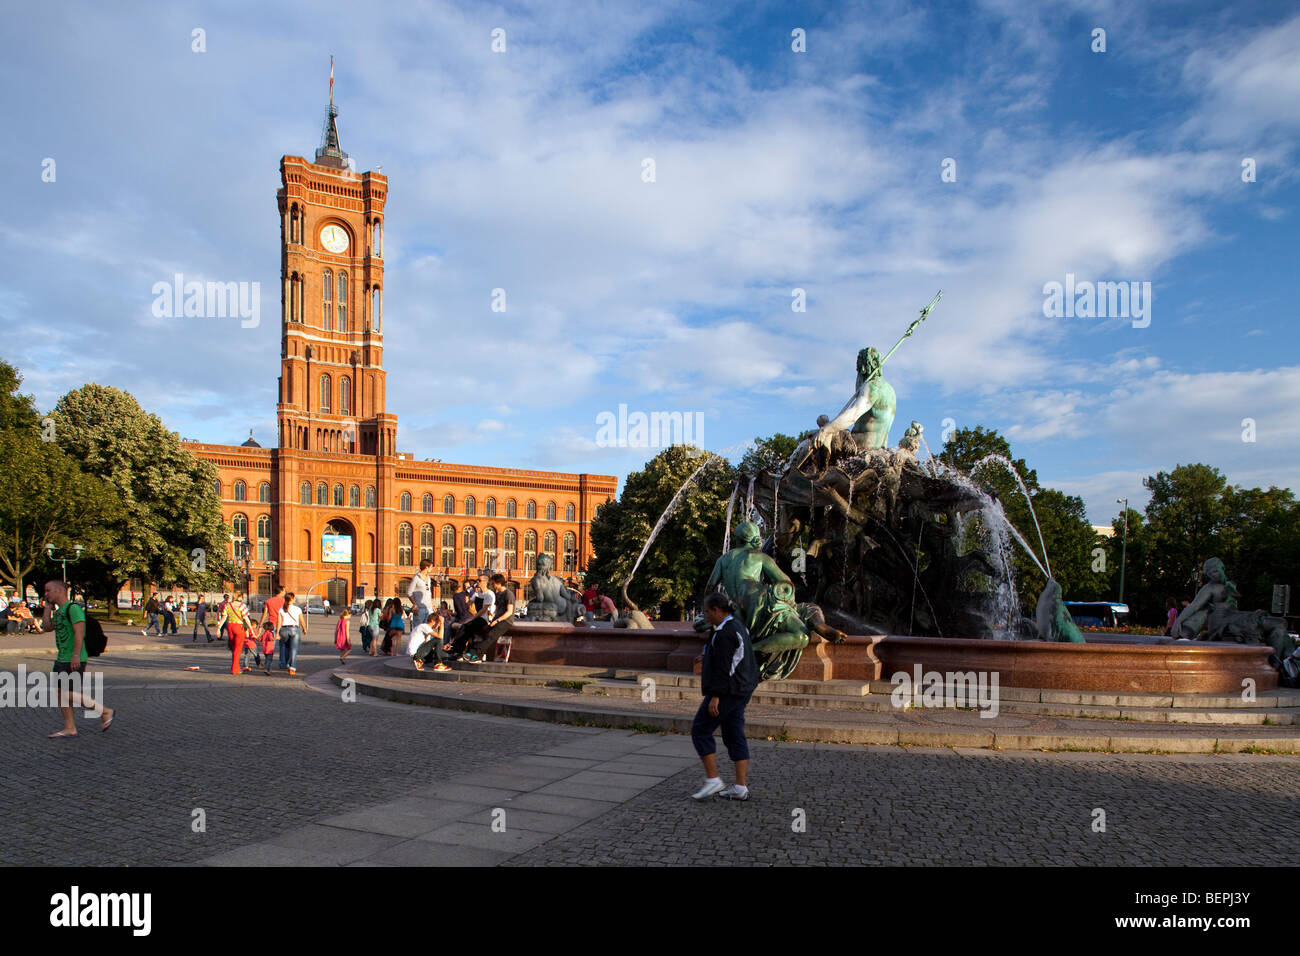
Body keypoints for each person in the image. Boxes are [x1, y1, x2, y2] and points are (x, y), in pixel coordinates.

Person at [690, 592, 759, 801]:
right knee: (733, 734)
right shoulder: (737, 626)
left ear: (717, 610)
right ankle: (740, 788)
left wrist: (715, 696)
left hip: (728, 691)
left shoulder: (724, 633)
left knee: (700, 730)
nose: (705, 616)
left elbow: (724, 667)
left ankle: (713, 780)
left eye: (707, 611)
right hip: (741, 689)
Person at [40, 580, 114, 737]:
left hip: (74, 658)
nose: (45, 594)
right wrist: (47, 609)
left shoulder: (73, 609)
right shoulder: (60, 611)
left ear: (59, 590)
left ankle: (105, 711)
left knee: (67, 693)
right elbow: (46, 627)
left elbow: (80, 633)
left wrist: (76, 656)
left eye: (48, 590)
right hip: (62, 658)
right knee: (61, 693)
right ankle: (70, 727)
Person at [467, 574, 515, 662]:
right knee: (484, 632)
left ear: (499, 583)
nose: (492, 585)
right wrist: (492, 620)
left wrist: (497, 621)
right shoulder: (498, 594)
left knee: (491, 636)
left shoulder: (508, 594)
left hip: (506, 621)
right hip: (497, 620)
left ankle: (477, 655)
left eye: (493, 583)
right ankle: (472, 652)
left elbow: (509, 612)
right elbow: (497, 610)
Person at [221, 593, 257, 675]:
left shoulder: (227, 605)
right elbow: (246, 618)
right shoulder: (242, 605)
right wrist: (251, 629)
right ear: (240, 597)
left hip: (229, 626)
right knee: (238, 648)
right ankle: (235, 669)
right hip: (238, 627)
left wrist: (219, 628)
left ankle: (235, 666)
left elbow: (224, 617)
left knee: (233, 648)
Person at [278, 593, 306, 675]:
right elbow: (301, 621)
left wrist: (277, 633)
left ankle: (286, 663)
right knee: (294, 649)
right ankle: (292, 667)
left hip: (283, 629)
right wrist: (304, 629)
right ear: (293, 599)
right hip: (294, 629)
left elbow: (279, 622)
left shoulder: (281, 609)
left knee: (285, 647)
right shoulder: (297, 609)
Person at [407, 560, 437, 628]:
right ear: (426, 567)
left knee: (429, 630)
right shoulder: (416, 578)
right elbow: (409, 592)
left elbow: (429, 593)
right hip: (420, 609)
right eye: (431, 567)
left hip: (429, 609)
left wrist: (432, 605)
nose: (432, 569)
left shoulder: (428, 578)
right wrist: (415, 605)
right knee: (418, 629)